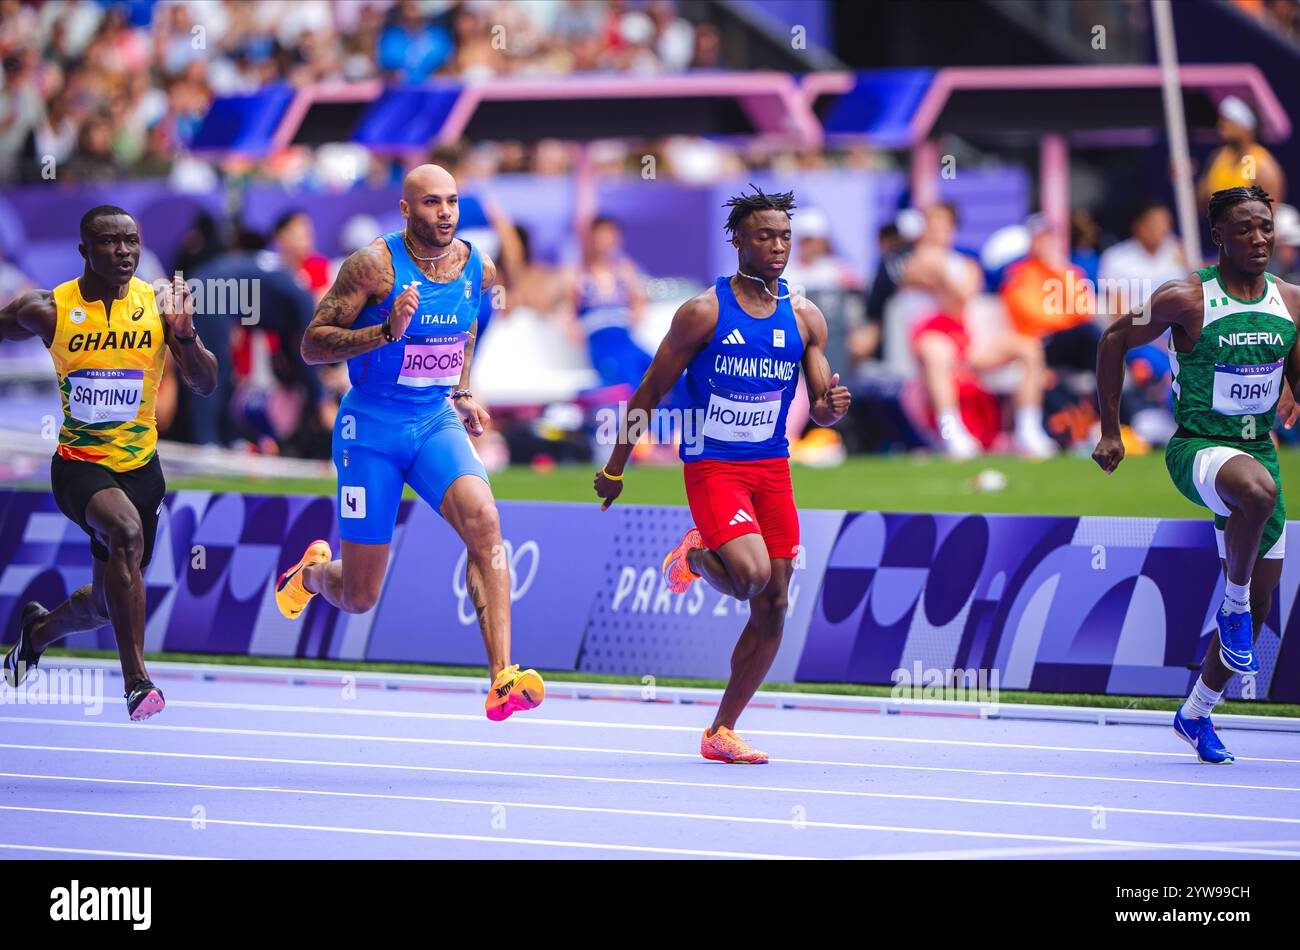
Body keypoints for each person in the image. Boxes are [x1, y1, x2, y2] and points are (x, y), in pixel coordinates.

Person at [275, 164, 544, 722]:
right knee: (359, 595)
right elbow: (311, 345)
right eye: (430, 203)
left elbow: (466, 324)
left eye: (451, 202)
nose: (444, 213)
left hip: (432, 421)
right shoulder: (373, 266)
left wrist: (462, 387)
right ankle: (310, 574)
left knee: (485, 523)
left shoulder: (477, 266)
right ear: (405, 210)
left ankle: (501, 677)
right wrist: (385, 332)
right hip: (370, 432)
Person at [593, 185, 852, 764]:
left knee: (775, 602)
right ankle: (692, 556)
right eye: (765, 236)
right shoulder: (704, 312)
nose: (778, 247)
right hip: (714, 466)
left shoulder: (805, 317)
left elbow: (822, 397)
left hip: (772, 467)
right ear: (737, 240)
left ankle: (721, 731)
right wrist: (616, 467)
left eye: (785, 236)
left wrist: (833, 405)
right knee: (752, 575)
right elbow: (651, 390)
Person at [1093, 186, 1300, 765]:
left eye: (1265, 227)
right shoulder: (1185, 297)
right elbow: (1113, 338)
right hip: (1200, 448)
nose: (1258, 239)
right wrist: (1110, 429)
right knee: (1255, 497)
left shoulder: (1291, 300)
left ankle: (1197, 711)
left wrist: (1292, 394)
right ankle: (1228, 604)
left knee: (1262, 606)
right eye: (1243, 230)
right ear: (1219, 238)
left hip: (1261, 451)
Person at [1, 205, 218, 720]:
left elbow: (205, 384)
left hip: (142, 469)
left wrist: (185, 336)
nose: (123, 252)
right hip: (79, 464)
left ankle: (39, 630)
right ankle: (136, 683)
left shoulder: (159, 305)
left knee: (104, 604)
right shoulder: (47, 309)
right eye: (109, 242)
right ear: (84, 252)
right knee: (123, 532)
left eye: (131, 241)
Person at [903, 203, 1055, 458]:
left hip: (966, 339)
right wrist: (939, 271)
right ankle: (952, 433)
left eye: (943, 226)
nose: (937, 232)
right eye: (932, 226)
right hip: (931, 339)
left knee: (1029, 348)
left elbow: (959, 303)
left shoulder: (966, 264)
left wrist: (939, 273)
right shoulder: (912, 264)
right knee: (936, 350)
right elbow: (930, 285)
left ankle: (1028, 429)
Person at [1198, 96, 1285, 208]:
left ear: (1246, 127)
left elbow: (1268, 216)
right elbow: (1199, 204)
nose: (1221, 125)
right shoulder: (1217, 158)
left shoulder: (1263, 166)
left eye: (1228, 121)